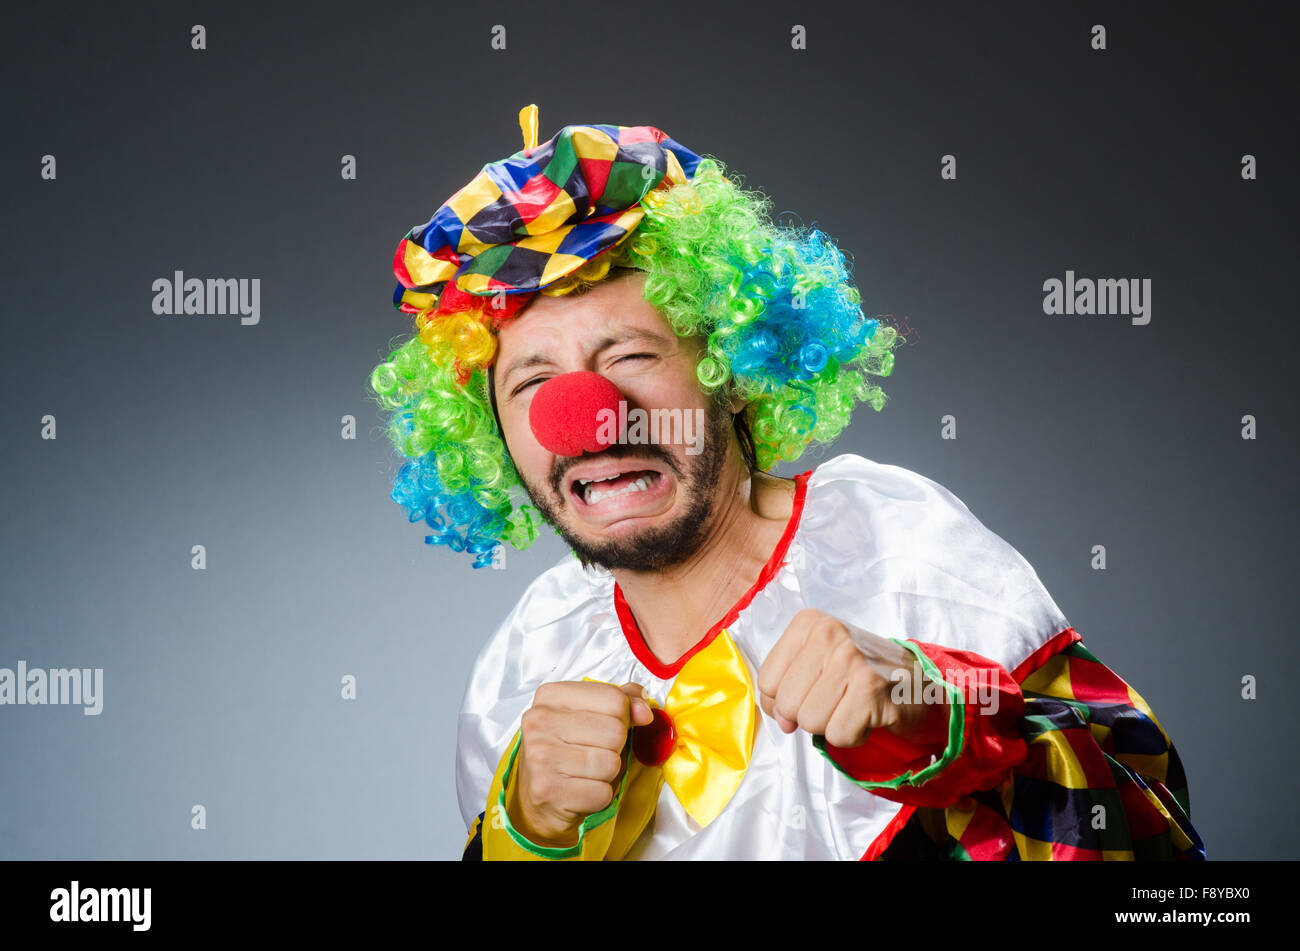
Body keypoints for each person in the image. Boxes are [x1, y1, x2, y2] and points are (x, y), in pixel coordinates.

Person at [369, 106, 1205, 861]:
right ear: (494, 437)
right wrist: (527, 833)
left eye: (629, 355)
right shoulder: (534, 651)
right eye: (531, 385)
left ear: (731, 369)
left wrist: (944, 719)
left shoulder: (894, 546)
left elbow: (1169, 874)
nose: (585, 416)